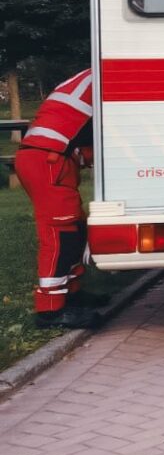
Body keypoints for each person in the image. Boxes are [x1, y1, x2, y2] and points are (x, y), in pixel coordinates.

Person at [15, 69, 95, 327]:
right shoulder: (104, 76)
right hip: (48, 159)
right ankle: (50, 309)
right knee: (61, 232)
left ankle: (72, 293)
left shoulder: (90, 76)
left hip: (48, 157)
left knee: (75, 226)